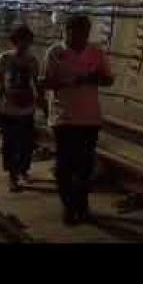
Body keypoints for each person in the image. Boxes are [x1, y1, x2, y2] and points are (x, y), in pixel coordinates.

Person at [44, 15, 113, 226]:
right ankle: (69, 206)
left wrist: (94, 78)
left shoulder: (96, 53)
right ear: (66, 31)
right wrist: (68, 82)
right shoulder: (55, 52)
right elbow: (44, 81)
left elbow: (108, 79)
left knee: (85, 167)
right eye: (73, 31)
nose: (77, 35)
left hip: (89, 118)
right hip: (63, 117)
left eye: (82, 32)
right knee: (65, 167)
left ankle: (81, 206)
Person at [0, 24, 45, 192]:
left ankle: (23, 169)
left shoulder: (32, 60)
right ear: (15, 41)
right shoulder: (4, 58)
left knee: (26, 142)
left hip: (26, 107)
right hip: (7, 107)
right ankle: (12, 175)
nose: (25, 44)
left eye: (27, 41)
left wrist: (40, 99)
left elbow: (35, 81)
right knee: (10, 142)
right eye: (22, 41)